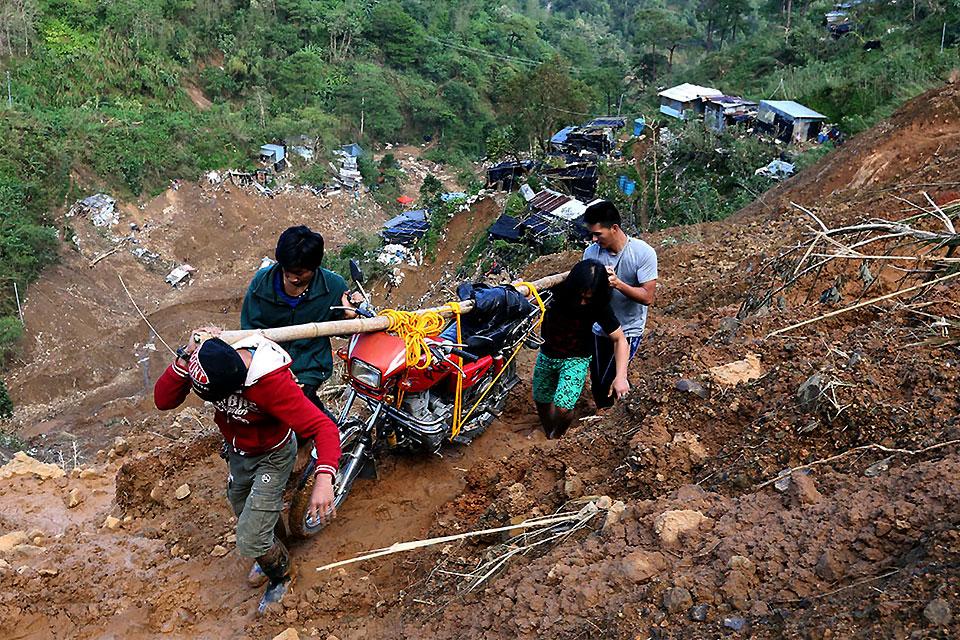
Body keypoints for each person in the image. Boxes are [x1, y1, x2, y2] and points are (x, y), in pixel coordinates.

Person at [154, 330, 341, 613]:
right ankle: (274, 547)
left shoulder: (272, 384)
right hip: (239, 452)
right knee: (243, 509)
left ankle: (283, 574)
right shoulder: (211, 356)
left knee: (250, 536)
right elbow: (163, 400)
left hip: (273, 454)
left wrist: (324, 478)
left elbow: (323, 426)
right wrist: (185, 355)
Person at [241, 226, 359, 414]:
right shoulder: (262, 283)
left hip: (309, 367)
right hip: (269, 366)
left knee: (297, 408)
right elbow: (249, 330)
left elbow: (343, 332)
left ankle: (328, 434)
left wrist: (349, 316)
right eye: (287, 271)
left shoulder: (333, 286)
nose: (292, 279)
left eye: (300, 273)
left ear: (315, 267)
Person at [532, 260, 631, 439]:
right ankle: (548, 432)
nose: (583, 302)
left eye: (588, 298)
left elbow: (620, 340)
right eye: (580, 296)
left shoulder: (599, 305)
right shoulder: (554, 292)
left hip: (576, 358)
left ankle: (557, 435)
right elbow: (529, 297)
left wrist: (621, 376)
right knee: (541, 398)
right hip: (547, 353)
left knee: (563, 406)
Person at [582, 201, 658, 411]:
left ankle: (622, 414)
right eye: (592, 235)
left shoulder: (643, 253)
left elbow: (647, 297)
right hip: (600, 328)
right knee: (598, 382)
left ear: (614, 228)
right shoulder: (591, 253)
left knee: (613, 379)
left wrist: (618, 284)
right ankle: (605, 415)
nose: (594, 239)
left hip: (629, 328)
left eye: (598, 234)